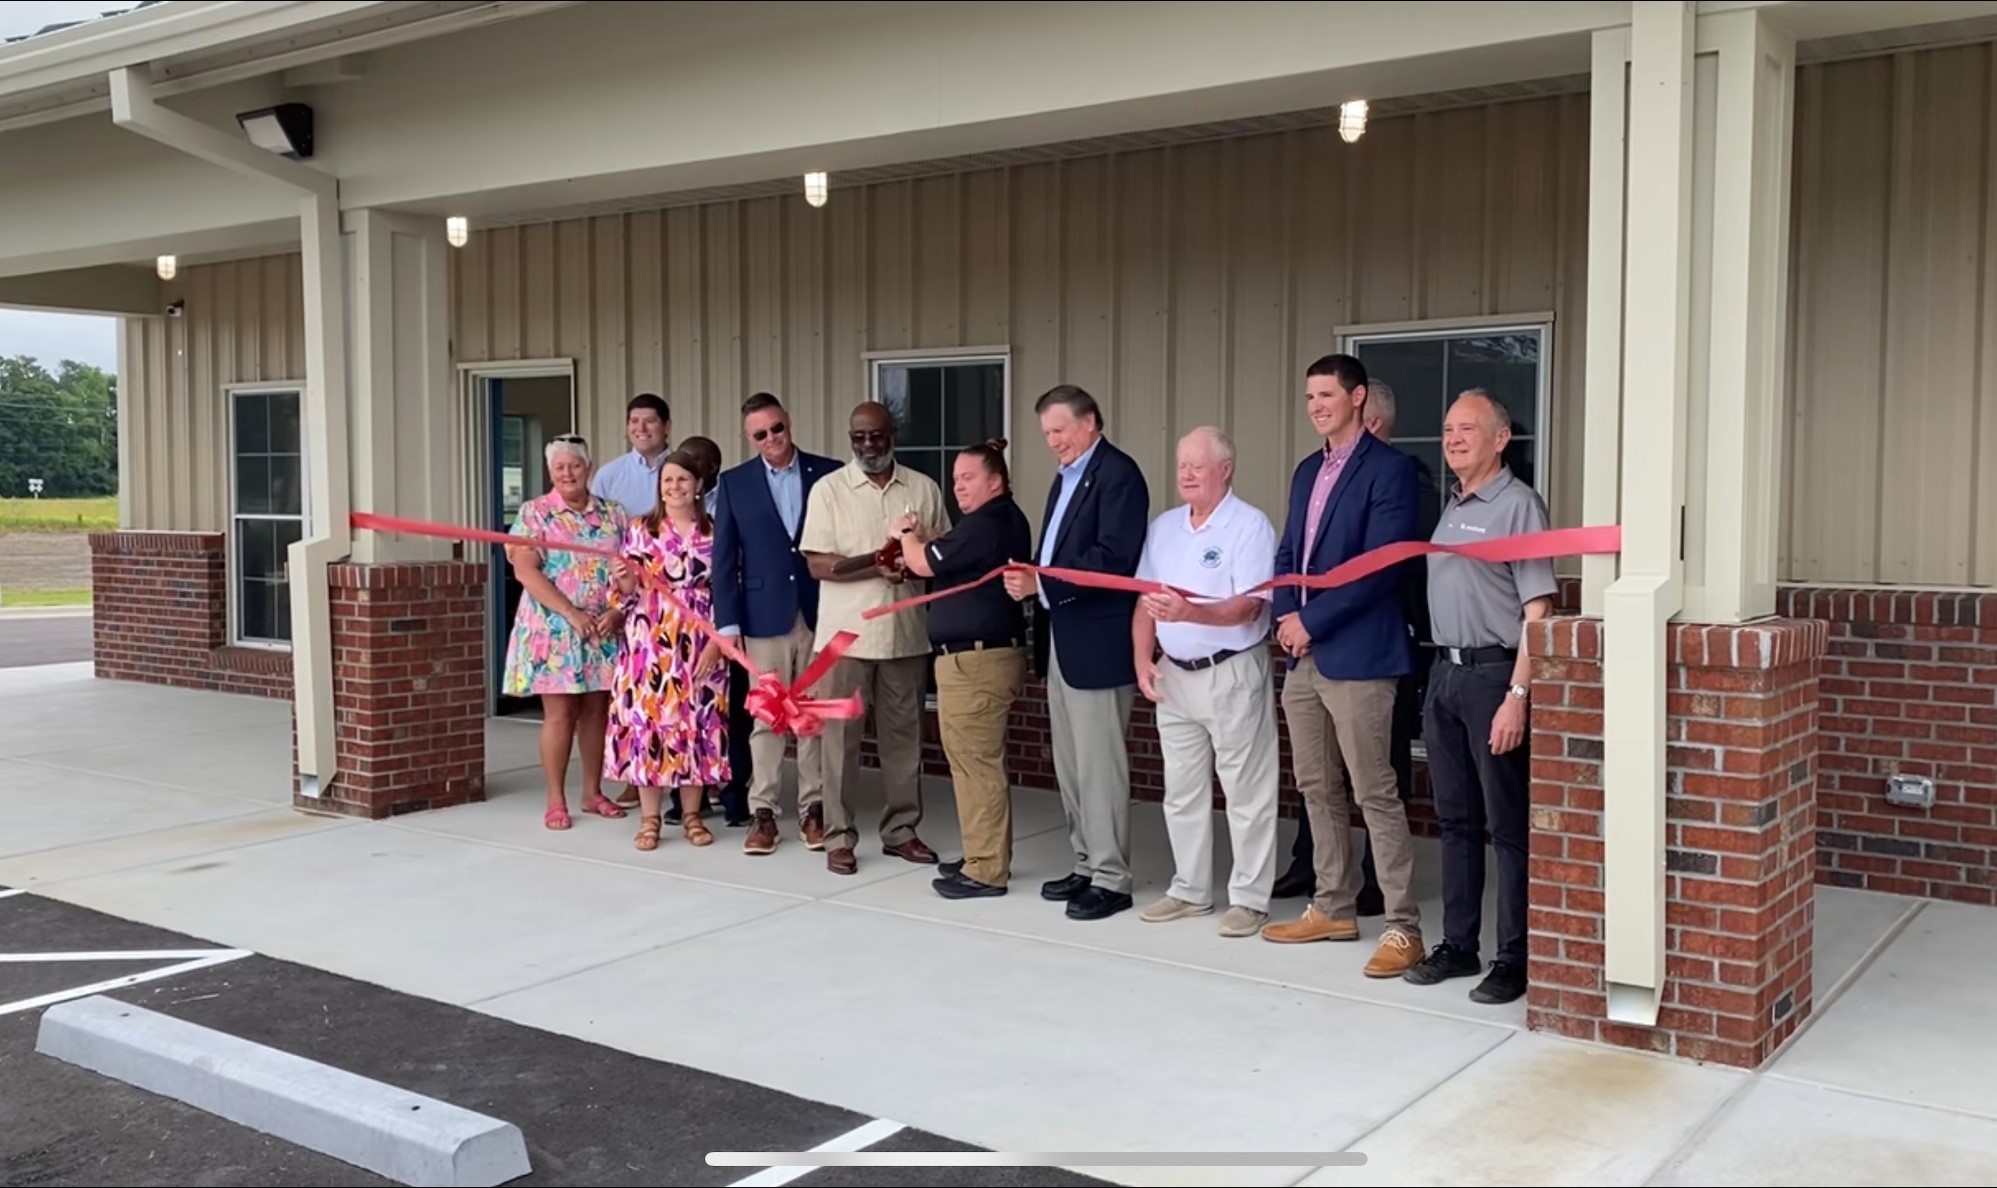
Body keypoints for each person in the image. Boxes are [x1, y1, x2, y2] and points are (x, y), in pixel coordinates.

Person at [1260, 353, 1426, 980]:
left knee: (1374, 791)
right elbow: (1287, 551)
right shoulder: (1308, 470)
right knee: (1315, 787)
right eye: (1309, 397)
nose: (1317, 406)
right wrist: (1285, 615)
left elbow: (1383, 566)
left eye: (1327, 394)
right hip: (1304, 655)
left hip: (1359, 654)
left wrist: (1313, 620)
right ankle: (1332, 904)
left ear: (1358, 398)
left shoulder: (1390, 470)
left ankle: (1403, 926)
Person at [1402, 388, 1556, 1006]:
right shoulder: (1454, 504)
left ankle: (1513, 958)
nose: (1453, 438)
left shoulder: (1518, 506)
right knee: (1456, 820)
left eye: (1468, 428)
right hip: (1445, 674)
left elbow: (1538, 609)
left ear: (1501, 439)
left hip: (1495, 677)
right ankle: (1459, 946)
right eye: (1446, 429)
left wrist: (1518, 694)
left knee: (1506, 823)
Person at [1002, 384, 1150, 921]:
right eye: (1046, 433)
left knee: (1100, 765)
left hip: (1098, 640)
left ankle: (1112, 877)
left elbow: (1113, 557)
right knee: (1070, 762)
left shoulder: (1118, 475)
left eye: (1060, 430)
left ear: (1091, 422)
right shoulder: (1065, 479)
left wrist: (1041, 587)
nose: (1053, 442)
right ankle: (1087, 862)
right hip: (1062, 639)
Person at [1132, 427, 1282, 938]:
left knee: (1247, 790)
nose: (1187, 474)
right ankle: (1190, 889)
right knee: (1181, 790)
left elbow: (1249, 605)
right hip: (1174, 674)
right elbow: (1145, 600)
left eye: (1198, 465)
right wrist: (1141, 659)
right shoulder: (1166, 527)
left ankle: (1249, 898)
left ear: (1226, 468)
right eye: (1181, 466)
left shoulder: (1249, 526)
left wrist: (1190, 610)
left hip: (1231, 671)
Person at [798, 401, 951, 876]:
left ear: (893, 435)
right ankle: (839, 837)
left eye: (877, 436)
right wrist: (875, 561)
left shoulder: (923, 488)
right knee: (839, 742)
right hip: (845, 637)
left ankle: (901, 831)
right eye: (859, 437)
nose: (868, 445)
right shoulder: (829, 490)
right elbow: (817, 564)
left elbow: (942, 552)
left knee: (904, 739)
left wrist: (912, 559)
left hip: (905, 634)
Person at [891, 439, 1034, 900]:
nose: (958, 487)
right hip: (976, 659)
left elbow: (918, 560)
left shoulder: (989, 523)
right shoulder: (988, 525)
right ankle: (981, 855)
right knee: (973, 764)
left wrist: (906, 531)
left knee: (976, 766)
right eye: (954, 480)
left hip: (977, 662)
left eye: (968, 478)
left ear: (996, 480)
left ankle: (987, 870)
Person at [711, 393, 842, 854]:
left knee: (812, 716)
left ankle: (814, 809)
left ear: (789, 423)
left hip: (820, 612)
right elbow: (724, 561)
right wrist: (727, 624)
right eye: (761, 434)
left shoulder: (829, 473)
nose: (772, 440)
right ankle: (763, 811)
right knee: (767, 719)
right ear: (750, 438)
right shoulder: (734, 483)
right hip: (762, 617)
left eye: (777, 429)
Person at [501, 433, 629, 831]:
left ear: (588, 468)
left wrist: (617, 611)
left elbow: (634, 569)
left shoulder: (614, 513)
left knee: (596, 711)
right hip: (553, 629)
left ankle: (592, 792)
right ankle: (556, 799)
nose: (567, 473)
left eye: (574, 465)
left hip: (602, 628)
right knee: (560, 714)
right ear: (550, 472)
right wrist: (571, 613)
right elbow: (525, 570)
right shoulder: (535, 513)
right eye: (559, 467)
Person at [605, 448, 729, 849]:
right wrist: (623, 580)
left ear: (698, 486)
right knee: (651, 724)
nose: (674, 487)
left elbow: (728, 589)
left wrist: (718, 642)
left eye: (682, 480)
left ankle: (692, 814)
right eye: (667, 481)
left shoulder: (717, 531)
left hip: (700, 638)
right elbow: (625, 594)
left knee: (697, 722)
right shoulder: (642, 528)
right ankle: (650, 818)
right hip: (650, 641)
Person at [590, 393, 672, 516]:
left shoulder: (686, 471)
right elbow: (596, 526)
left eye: (649, 421)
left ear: (667, 426)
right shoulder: (608, 475)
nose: (641, 428)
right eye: (634, 421)